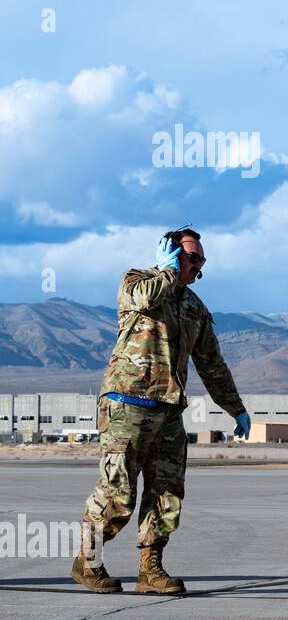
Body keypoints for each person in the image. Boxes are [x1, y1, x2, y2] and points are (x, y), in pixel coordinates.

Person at [71, 228, 251, 595]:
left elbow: (212, 364)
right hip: (127, 403)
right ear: (170, 253)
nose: (197, 266)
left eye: (201, 260)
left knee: (166, 491)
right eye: (191, 257)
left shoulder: (194, 308)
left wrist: (236, 408)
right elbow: (141, 299)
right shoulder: (138, 282)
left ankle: (150, 570)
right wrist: (166, 272)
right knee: (118, 491)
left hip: (168, 409)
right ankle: (88, 562)